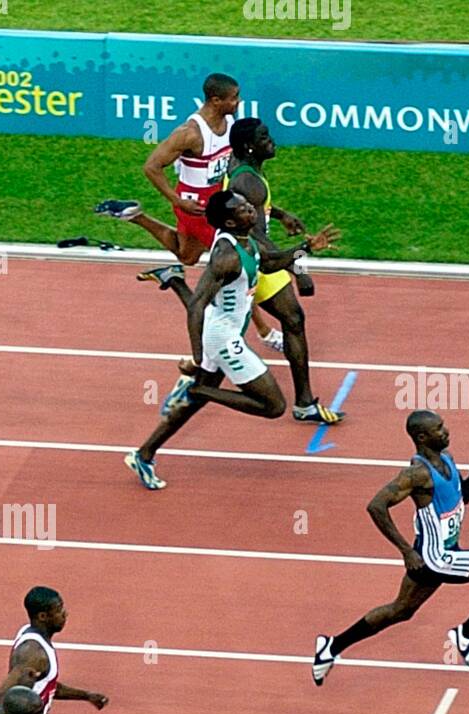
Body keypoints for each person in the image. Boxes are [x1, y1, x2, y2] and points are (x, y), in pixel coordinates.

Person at [125, 191, 340, 490]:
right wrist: (199, 356)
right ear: (229, 221)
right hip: (222, 338)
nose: (250, 209)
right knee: (274, 405)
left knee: (194, 405)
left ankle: (144, 455)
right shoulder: (225, 256)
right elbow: (198, 303)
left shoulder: (245, 238)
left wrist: (306, 248)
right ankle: (198, 388)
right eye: (242, 209)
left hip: (225, 329)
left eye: (247, 205)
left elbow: (269, 263)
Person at [139, 118, 337, 422]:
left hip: (253, 252)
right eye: (264, 137)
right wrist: (298, 266)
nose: (272, 141)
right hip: (253, 256)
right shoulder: (247, 181)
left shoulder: (247, 173)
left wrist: (281, 215)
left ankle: (176, 286)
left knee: (281, 321)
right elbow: (256, 235)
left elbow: (257, 209)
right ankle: (300, 402)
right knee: (289, 320)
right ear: (249, 146)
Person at [312, 411, 469, 683]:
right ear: (422, 437)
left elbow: (462, 498)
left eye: (443, 426)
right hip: (436, 557)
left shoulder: (446, 459)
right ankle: (467, 634)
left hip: (442, 553)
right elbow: (376, 506)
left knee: (400, 610)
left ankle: (331, 647)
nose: (446, 431)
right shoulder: (417, 474)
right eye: (439, 429)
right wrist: (406, 551)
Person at [94, 73, 240, 268]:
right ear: (216, 100)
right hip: (196, 205)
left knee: (188, 256)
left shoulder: (228, 122)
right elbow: (151, 167)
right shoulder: (189, 134)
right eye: (234, 97)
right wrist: (178, 201)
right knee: (234, 253)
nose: (238, 102)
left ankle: (135, 215)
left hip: (218, 197)